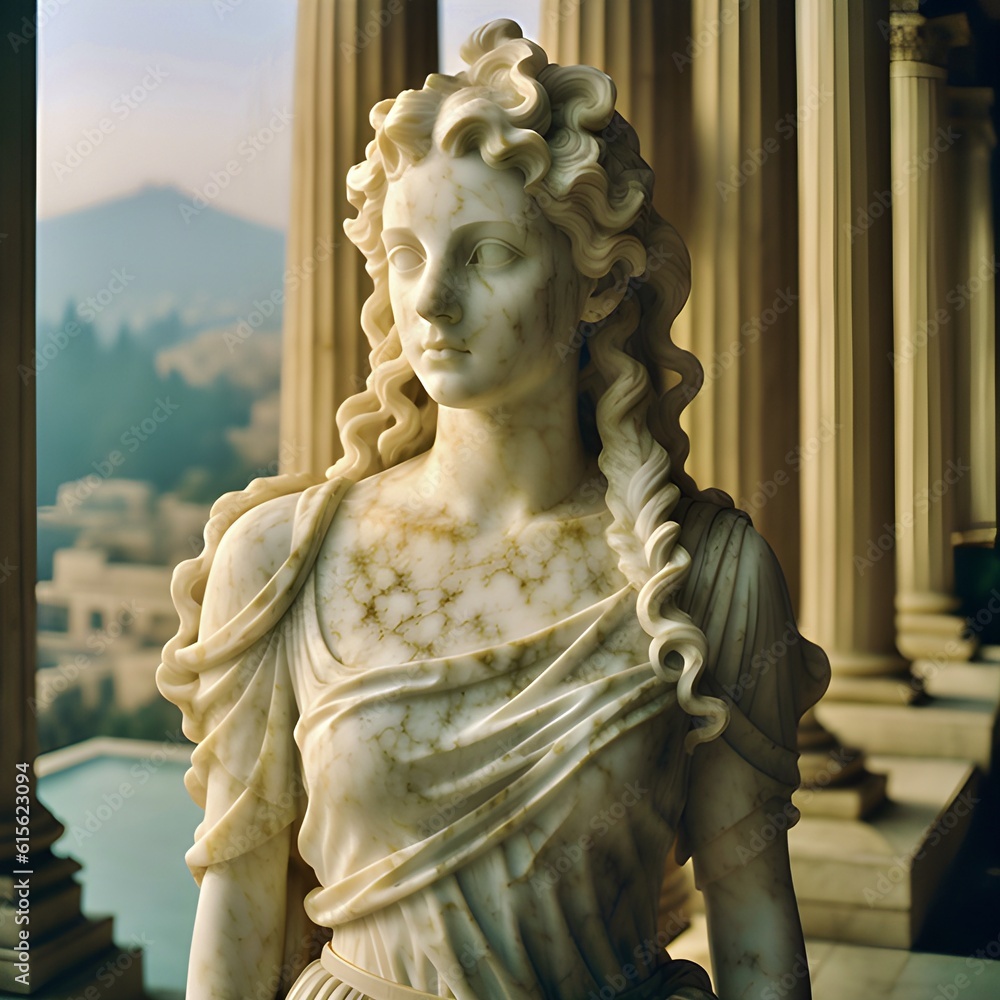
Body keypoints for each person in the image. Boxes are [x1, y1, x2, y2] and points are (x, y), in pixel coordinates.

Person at [158, 20, 829, 1000]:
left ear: (595, 284)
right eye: (405, 252)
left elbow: (755, 923)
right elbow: (237, 931)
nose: (427, 300)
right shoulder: (282, 560)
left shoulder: (705, 575)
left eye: (485, 255)